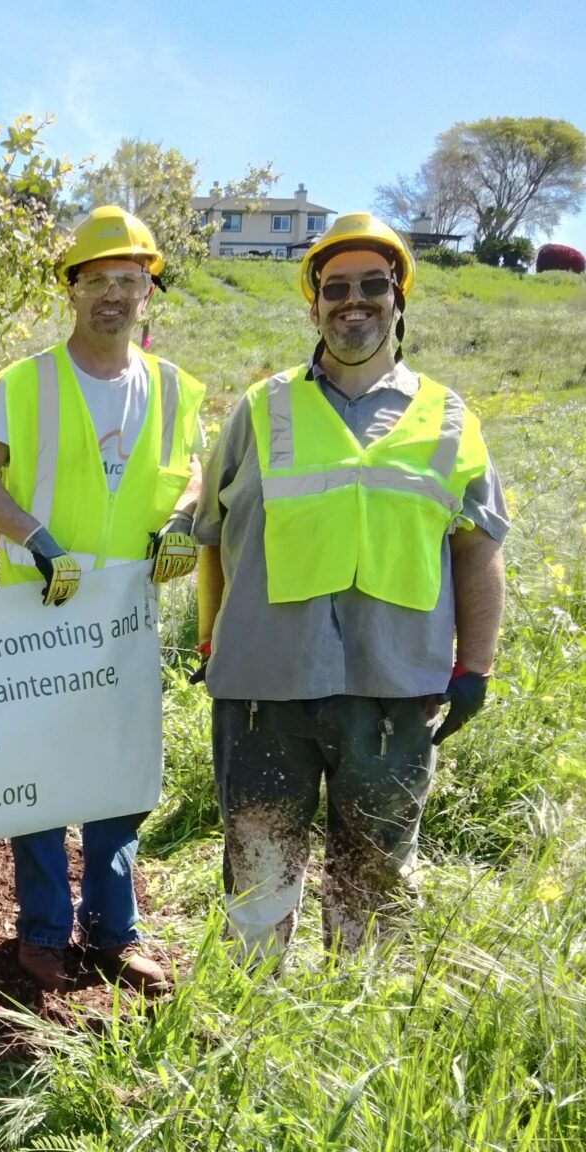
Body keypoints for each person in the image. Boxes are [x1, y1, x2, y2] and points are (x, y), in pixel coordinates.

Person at [194, 213, 507, 958]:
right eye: (336, 288)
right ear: (314, 304)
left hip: (395, 695)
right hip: (266, 690)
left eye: (374, 284)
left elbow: (477, 549)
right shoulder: (261, 408)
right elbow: (211, 538)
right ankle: (251, 1024)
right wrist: (211, 640)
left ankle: (351, 1032)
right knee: (257, 874)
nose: (354, 302)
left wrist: (477, 669)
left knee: (374, 885)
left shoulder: (450, 418)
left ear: (399, 298)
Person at [0, 205, 206, 995]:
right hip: (40, 609)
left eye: (129, 281)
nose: (114, 295)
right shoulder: (24, 384)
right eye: (97, 280)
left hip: (126, 616)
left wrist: (181, 521)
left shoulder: (171, 388)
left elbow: (191, 473)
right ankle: (40, 931)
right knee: (37, 775)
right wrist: (37, 539)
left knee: (118, 775)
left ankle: (113, 931)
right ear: (72, 291)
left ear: (148, 292)